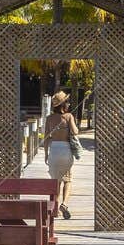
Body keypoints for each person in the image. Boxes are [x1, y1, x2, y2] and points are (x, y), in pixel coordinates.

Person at [44, 90, 79, 219]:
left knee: (55, 181)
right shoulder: (69, 116)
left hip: (54, 149)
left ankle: (54, 209)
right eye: (67, 102)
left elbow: (47, 138)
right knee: (67, 179)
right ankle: (64, 204)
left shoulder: (49, 119)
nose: (69, 104)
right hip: (65, 150)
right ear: (63, 104)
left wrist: (46, 154)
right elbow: (75, 132)